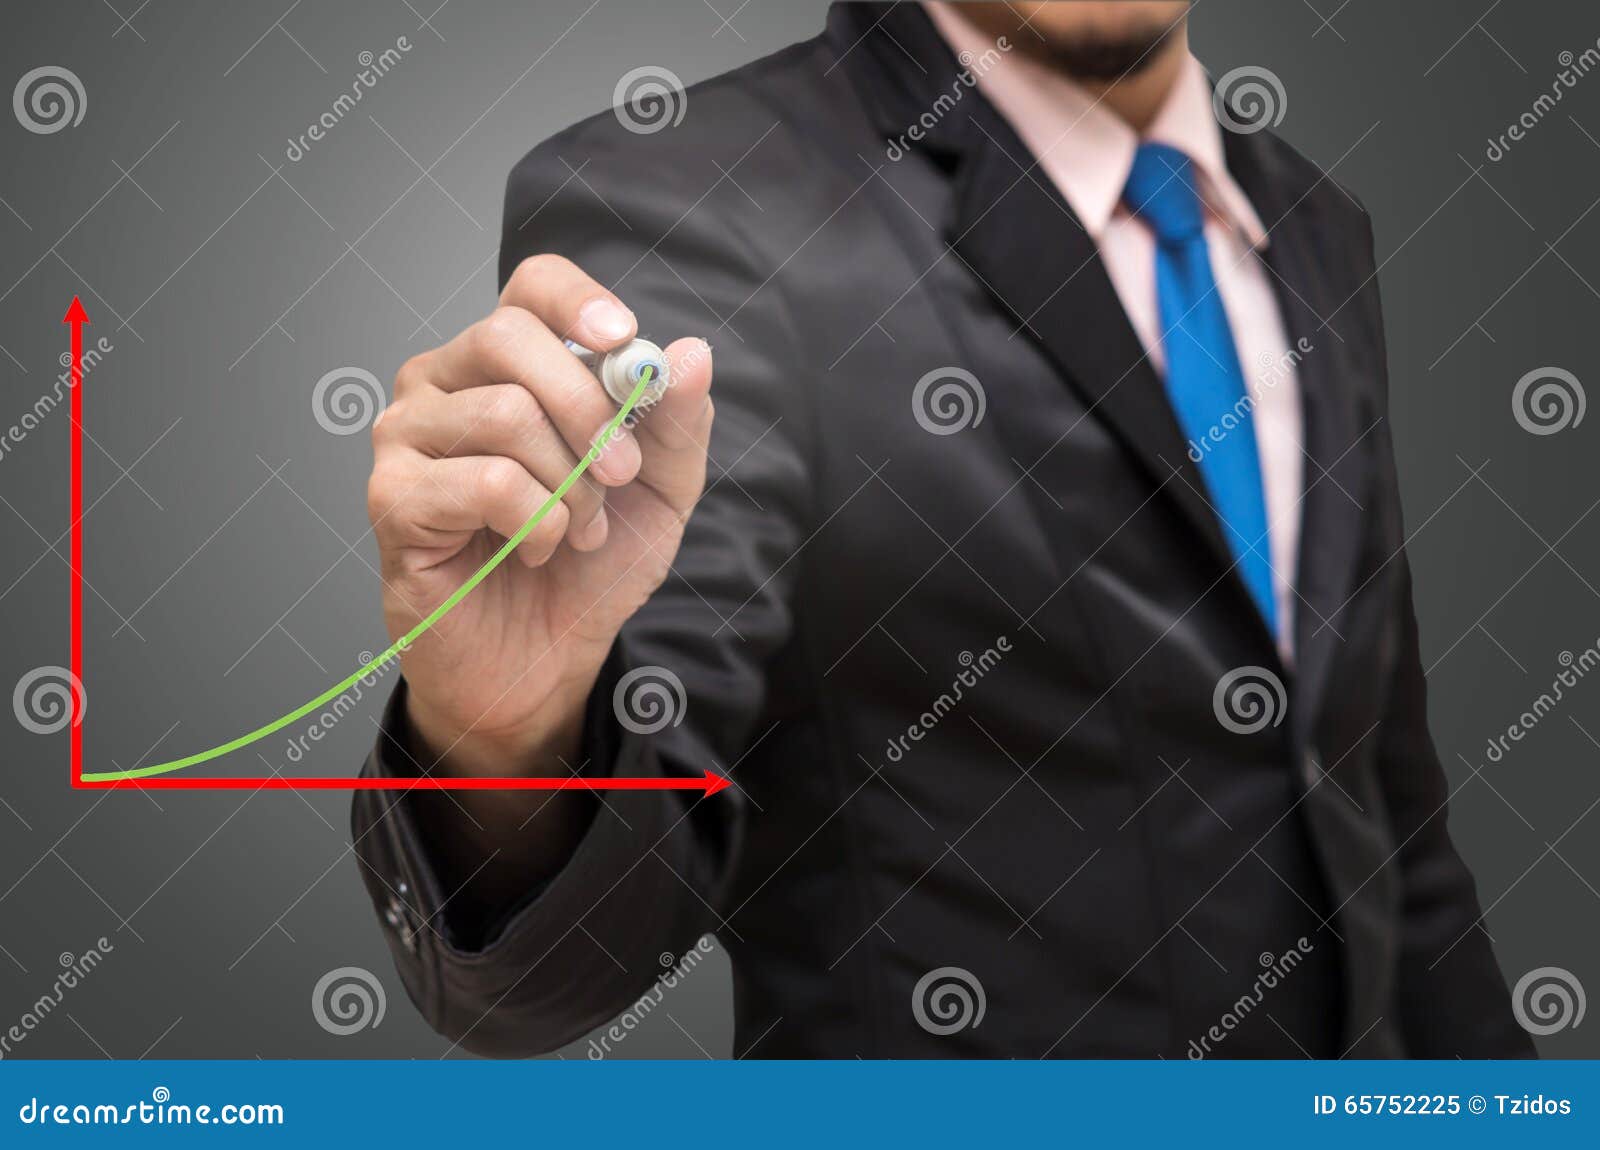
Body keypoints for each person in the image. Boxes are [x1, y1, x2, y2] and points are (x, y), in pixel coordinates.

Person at [353, 1, 1532, 1058]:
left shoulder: (1317, 223)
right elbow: (568, 964)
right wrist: (503, 737)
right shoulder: (699, 201)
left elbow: (1379, 801)